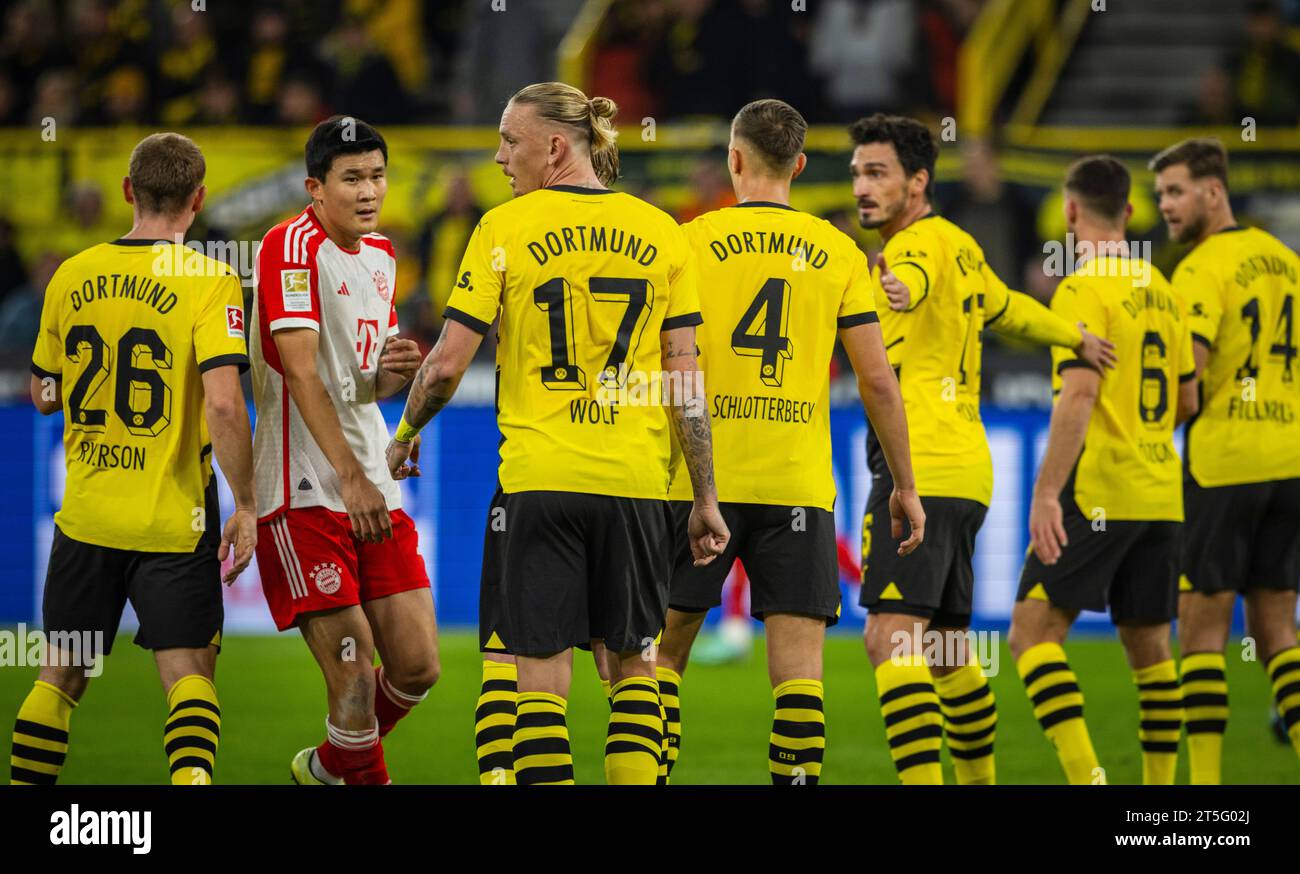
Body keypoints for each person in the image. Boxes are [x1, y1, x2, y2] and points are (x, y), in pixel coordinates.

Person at [386, 82, 729, 785]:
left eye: (509, 141)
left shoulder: (503, 228)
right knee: (634, 669)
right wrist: (704, 496)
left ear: (552, 146)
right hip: (636, 484)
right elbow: (686, 381)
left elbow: (445, 364)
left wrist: (408, 428)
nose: (498, 157)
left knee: (538, 680)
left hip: (540, 482)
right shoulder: (661, 231)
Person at [656, 99, 924, 785]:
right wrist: (905, 486)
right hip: (797, 488)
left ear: (734, 159)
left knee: (661, 662)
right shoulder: (838, 252)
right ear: (799, 165)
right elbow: (878, 380)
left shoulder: (688, 241)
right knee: (800, 678)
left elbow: (660, 360)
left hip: (697, 484)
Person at [850, 114, 1117, 784]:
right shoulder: (962, 245)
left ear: (918, 181)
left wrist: (899, 287)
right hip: (966, 472)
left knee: (889, 640)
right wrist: (1075, 336)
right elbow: (1011, 308)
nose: (861, 186)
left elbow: (912, 277)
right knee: (946, 652)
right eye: (857, 172)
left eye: (877, 173)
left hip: (920, 469)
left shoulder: (916, 248)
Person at [10, 132, 256, 785]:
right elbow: (224, 404)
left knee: (58, 678)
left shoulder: (71, 273)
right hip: (173, 522)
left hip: (86, 518)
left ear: (128, 191)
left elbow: (42, 394)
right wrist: (248, 503)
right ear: (198, 198)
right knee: (189, 675)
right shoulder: (210, 279)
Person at [250, 116, 437, 786]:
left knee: (417, 667)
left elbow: (362, 381)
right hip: (304, 487)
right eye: (352, 178)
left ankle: (331, 766)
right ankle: (354, 766)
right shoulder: (288, 246)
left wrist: (394, 377)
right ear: (315, 187)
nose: (369, 191)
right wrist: (350, 475)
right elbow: (300, 372)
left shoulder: (382, 254)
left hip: (372, 481)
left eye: (377, 175)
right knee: (355, 676)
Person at [1008, 156, 1198, 786]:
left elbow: (1080, 395)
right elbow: (1188, 398)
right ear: (1131, 211)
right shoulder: (1164, 289)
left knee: (1032, 636)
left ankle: (1089, 780)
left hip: (1098, 489)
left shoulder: (1082, 287)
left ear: (1070, 211)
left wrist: (1046, 494)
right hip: (1161, 490)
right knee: (1151, 651)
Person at [1151, 137, 1300, 782]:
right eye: (1160, 195)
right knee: (1277, 632)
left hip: (1224, 463)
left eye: (1176, 191)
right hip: (1289, 462)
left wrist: (1147, 439)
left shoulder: (1200, 268)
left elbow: (1187, 385)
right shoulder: (1285, 260)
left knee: (1201, 628)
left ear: (1214, 191)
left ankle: (1205, 795)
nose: (1165, 206)